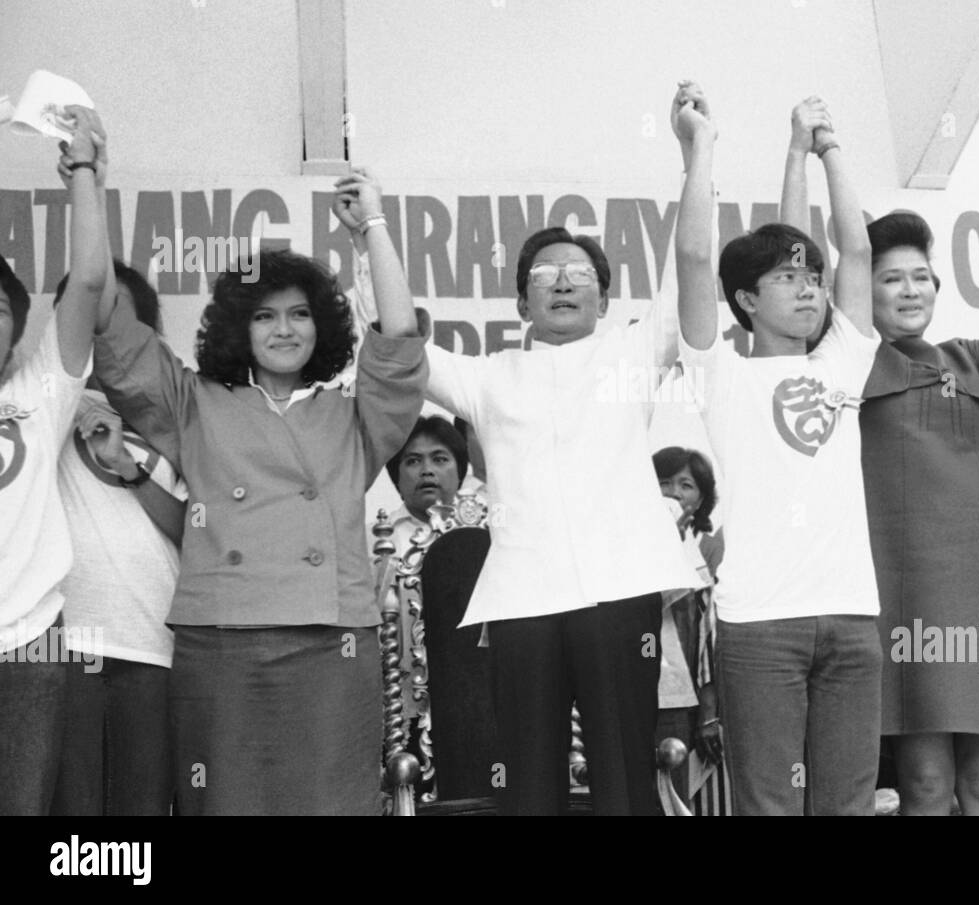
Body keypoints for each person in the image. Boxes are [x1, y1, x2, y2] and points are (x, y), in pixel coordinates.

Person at [350, 86, 698, 816]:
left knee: (625, 786)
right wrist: (371, 230)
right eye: (544, 276)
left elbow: (692, 262)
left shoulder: (634, 350)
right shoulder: (487, 377)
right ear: (521, 305)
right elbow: (398, 339)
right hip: (523, 604)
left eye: (579, 275)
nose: (563, 281)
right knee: (528, 788)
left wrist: (695, 154)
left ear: (604, 298)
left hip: (618, 593)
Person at [92, 167, 427, 814]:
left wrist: (373, 229)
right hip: (221, 642)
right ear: (238, 327)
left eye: (300, 313)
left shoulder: (353, 415)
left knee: (332, 805)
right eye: (265, 315)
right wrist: (89, 179)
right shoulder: (191, 401)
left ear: (321, 326)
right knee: (222, 803)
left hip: (333, 641)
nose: (284, 328)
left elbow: (401, 340)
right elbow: (109, 326)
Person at [780, 159, 979, 817]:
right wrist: (819, 154)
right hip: (899, 597)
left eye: (922, 276)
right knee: (922, 786)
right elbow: (803, 261)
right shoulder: (844, 365)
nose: (909, 289)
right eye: (891, 278)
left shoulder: (968, 359)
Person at [677, 91, 882, 815]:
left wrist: (822, 146)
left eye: (811, 278)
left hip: (854, 616)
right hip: (760, 621)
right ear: (745, 299)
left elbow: (855, 250)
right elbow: (696, 254)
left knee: (847, 805)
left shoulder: (843, 364)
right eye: (788, 279)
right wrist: (701, 145)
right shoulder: (721, 373)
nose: (808, 288)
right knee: (770, 806)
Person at [0, 106, 114, 815]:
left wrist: (83, 174)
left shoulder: (40, 391)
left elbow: (91, 286)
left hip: (26, 646)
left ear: (16, 328)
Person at [50, 263, 187, 816]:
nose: (99, 329)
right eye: (89, 315)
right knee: (70, 822)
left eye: (117, 321)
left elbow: (196, 532)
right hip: (62, 647)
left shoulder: (178, 418)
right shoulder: (45, 406)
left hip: (154, 646)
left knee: (142, 822)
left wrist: (130, 469)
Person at [652, 446, 729, 815]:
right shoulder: (630, 546)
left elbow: (710, 636)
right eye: (664, 482)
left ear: (702, 498)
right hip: (638, 690)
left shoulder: (709, 551)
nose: (674, 493)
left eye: (686, 485)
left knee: (683, 796)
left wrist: (709, 711)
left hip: (686, 696)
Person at [384, 414, 471, 556]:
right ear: (396, 477)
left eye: (440, 459)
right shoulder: (370, 540)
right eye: (413, 461)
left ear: (459, 473)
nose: (427, 470)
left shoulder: (487, 532)